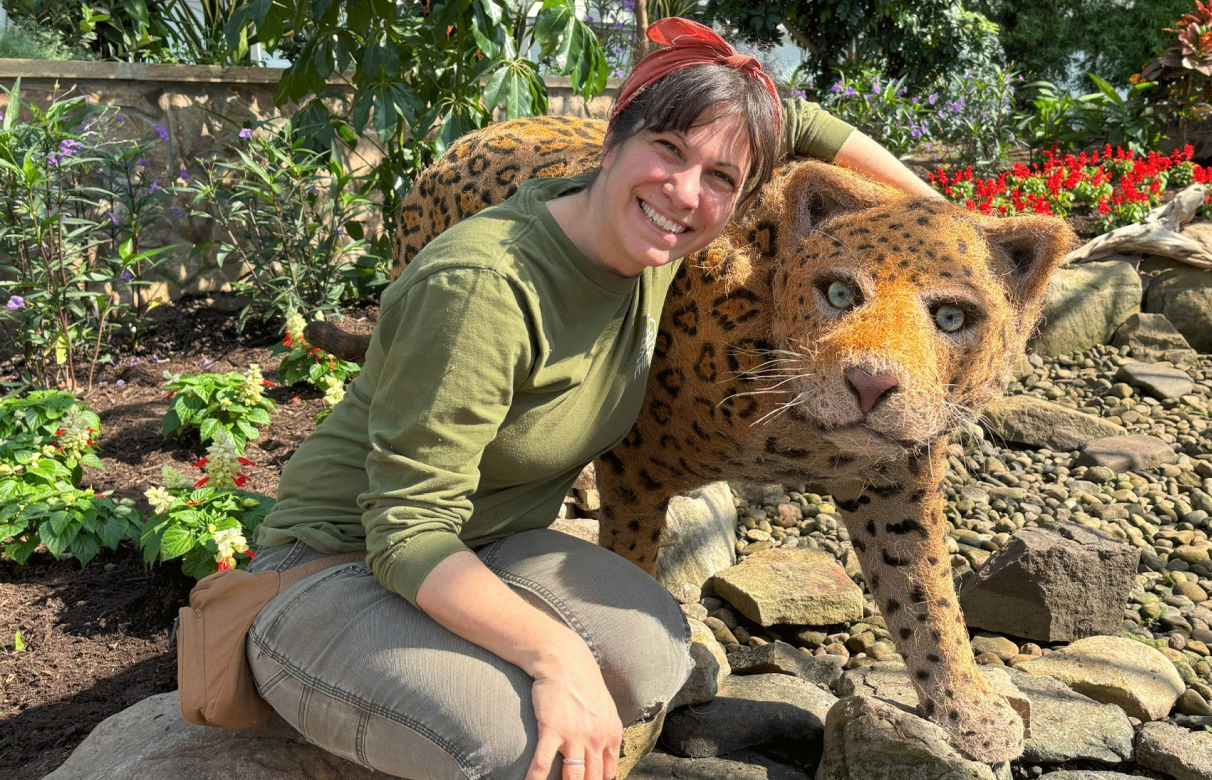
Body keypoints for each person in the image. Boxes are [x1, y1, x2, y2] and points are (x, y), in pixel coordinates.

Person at [246, 18, 938, 780]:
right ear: (614, 137)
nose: (686, 192)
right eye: (668, 149)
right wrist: (556, 656)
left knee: (654, 653)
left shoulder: (654, 245)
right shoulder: (485, 287)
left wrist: (941, 215)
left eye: (720, 177)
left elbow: (795, 121)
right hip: (339, 560)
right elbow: (405, 530)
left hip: (486, 545)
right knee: (515, 741)